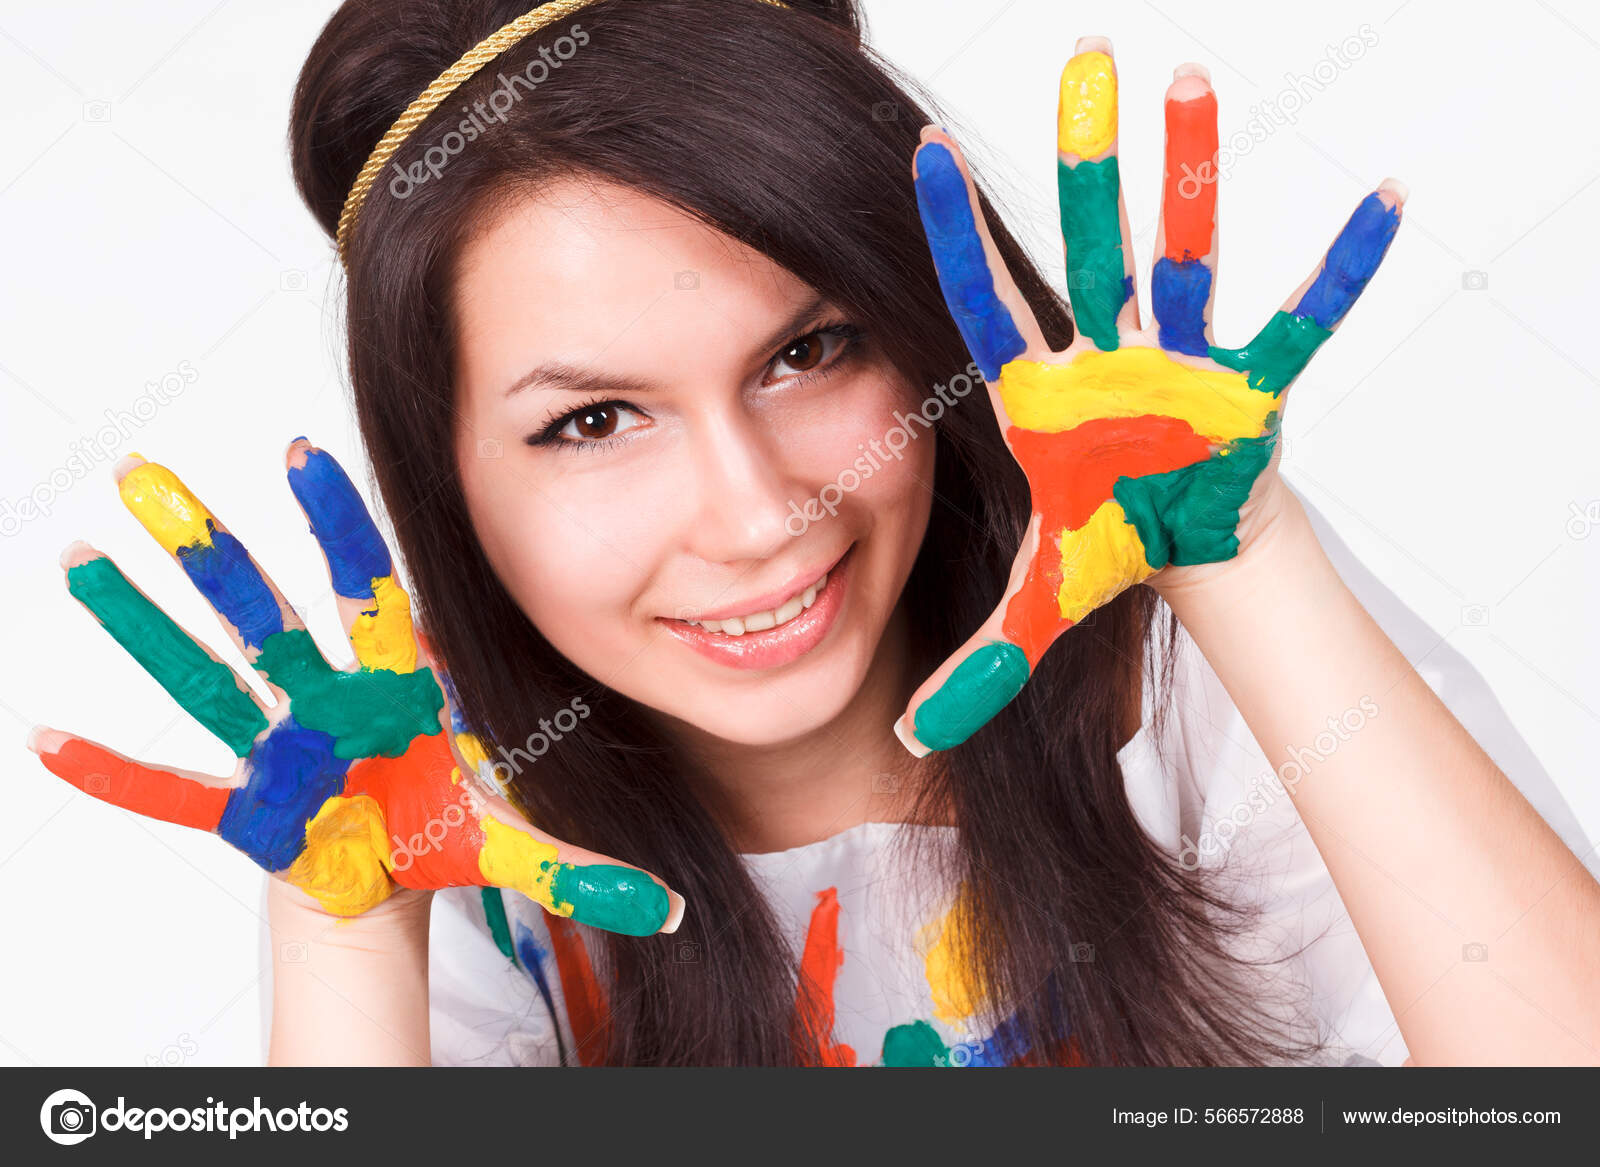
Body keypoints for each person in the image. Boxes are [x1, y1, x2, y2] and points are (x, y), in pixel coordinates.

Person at [28, 0, 1600, 1067]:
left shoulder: (1193, 673)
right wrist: (346, 933)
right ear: (444, 486)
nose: (758, 513)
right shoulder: (451, 832)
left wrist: (1248, 555)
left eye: (810, 352)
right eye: (594, 421)